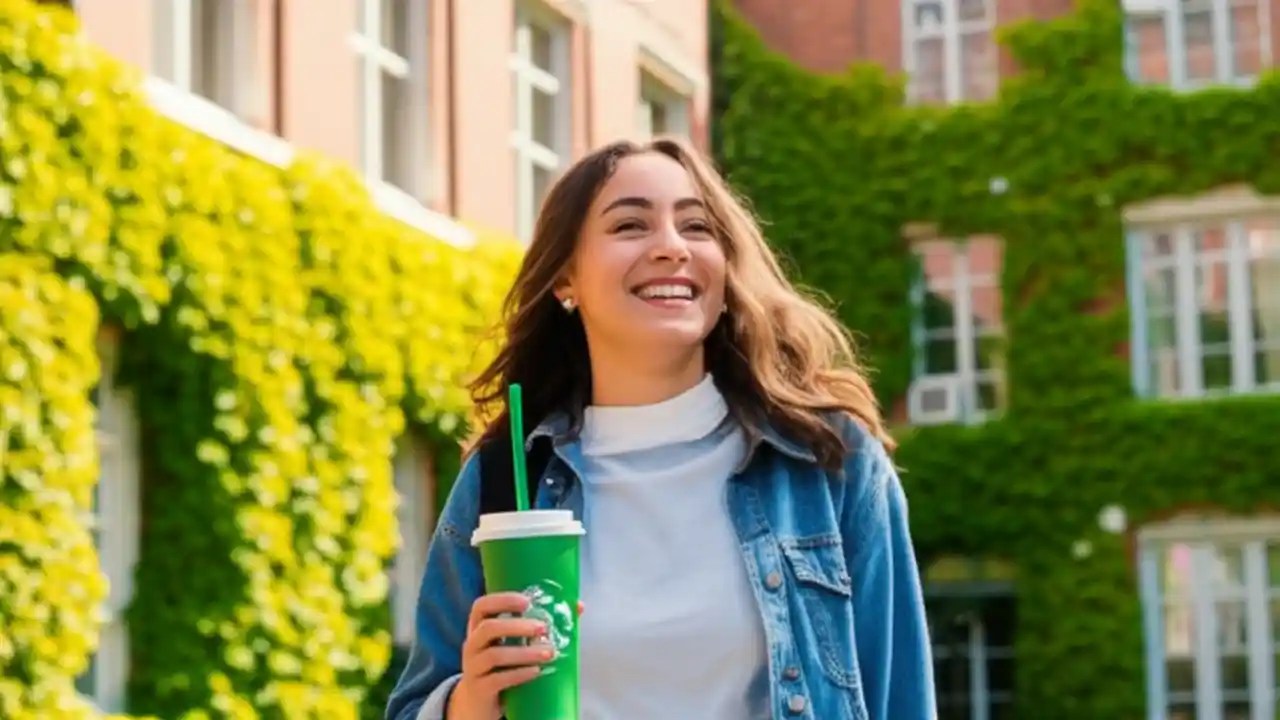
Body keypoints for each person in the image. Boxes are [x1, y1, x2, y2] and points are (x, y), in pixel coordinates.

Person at [385, 138, 935, 720]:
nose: (671, 247)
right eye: (630, 225)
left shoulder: (828, 461)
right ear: (565, 279)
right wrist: (466, 704)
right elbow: (413, 705)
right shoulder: (506, 475)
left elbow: (901, 697)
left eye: (697, 227)